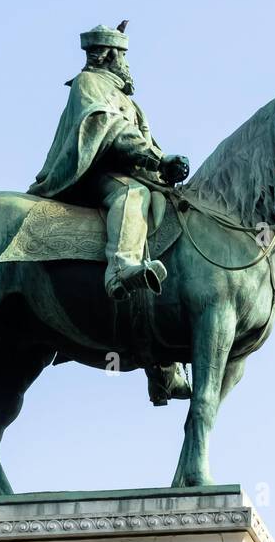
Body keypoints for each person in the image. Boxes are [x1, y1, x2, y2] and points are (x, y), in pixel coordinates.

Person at [29, 20, 192, 403]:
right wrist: (156, 158)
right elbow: (110, 131)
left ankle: (164, 369)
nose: (128, 65)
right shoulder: (91, 85)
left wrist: (165, 169)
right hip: (92, 175)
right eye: (123, 56)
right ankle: (119, 268)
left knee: (171, 226)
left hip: (131, 173)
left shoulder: (128, 97)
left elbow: (142, 140)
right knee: (132, 195)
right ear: (108, 56)